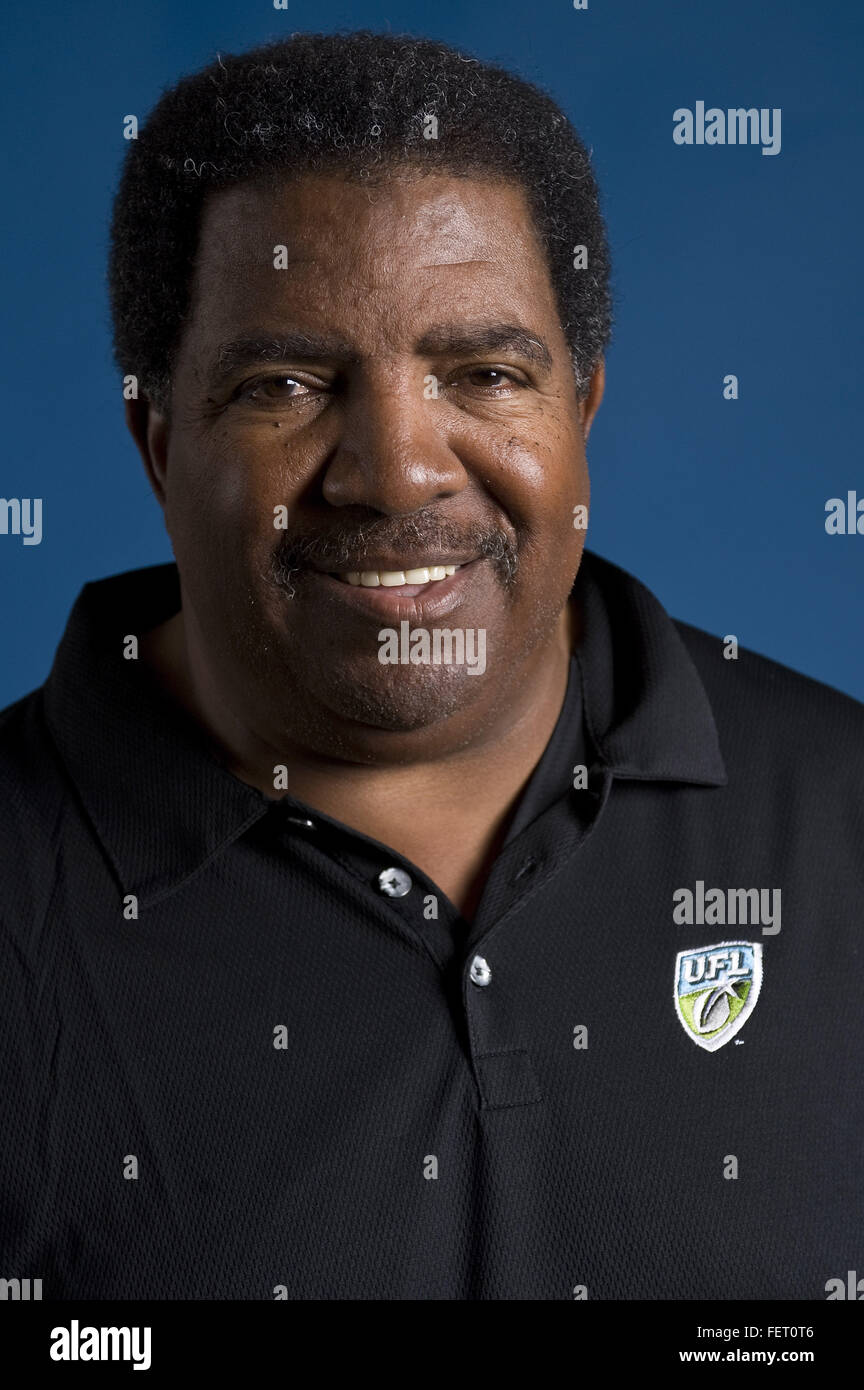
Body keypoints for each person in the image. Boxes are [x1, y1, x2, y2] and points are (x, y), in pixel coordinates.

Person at [1, 31, 862, 1301]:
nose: (398, 470)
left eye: (485, 373)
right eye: (286, 382)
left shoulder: (845, 819)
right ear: (160, 439)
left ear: (582, 408)